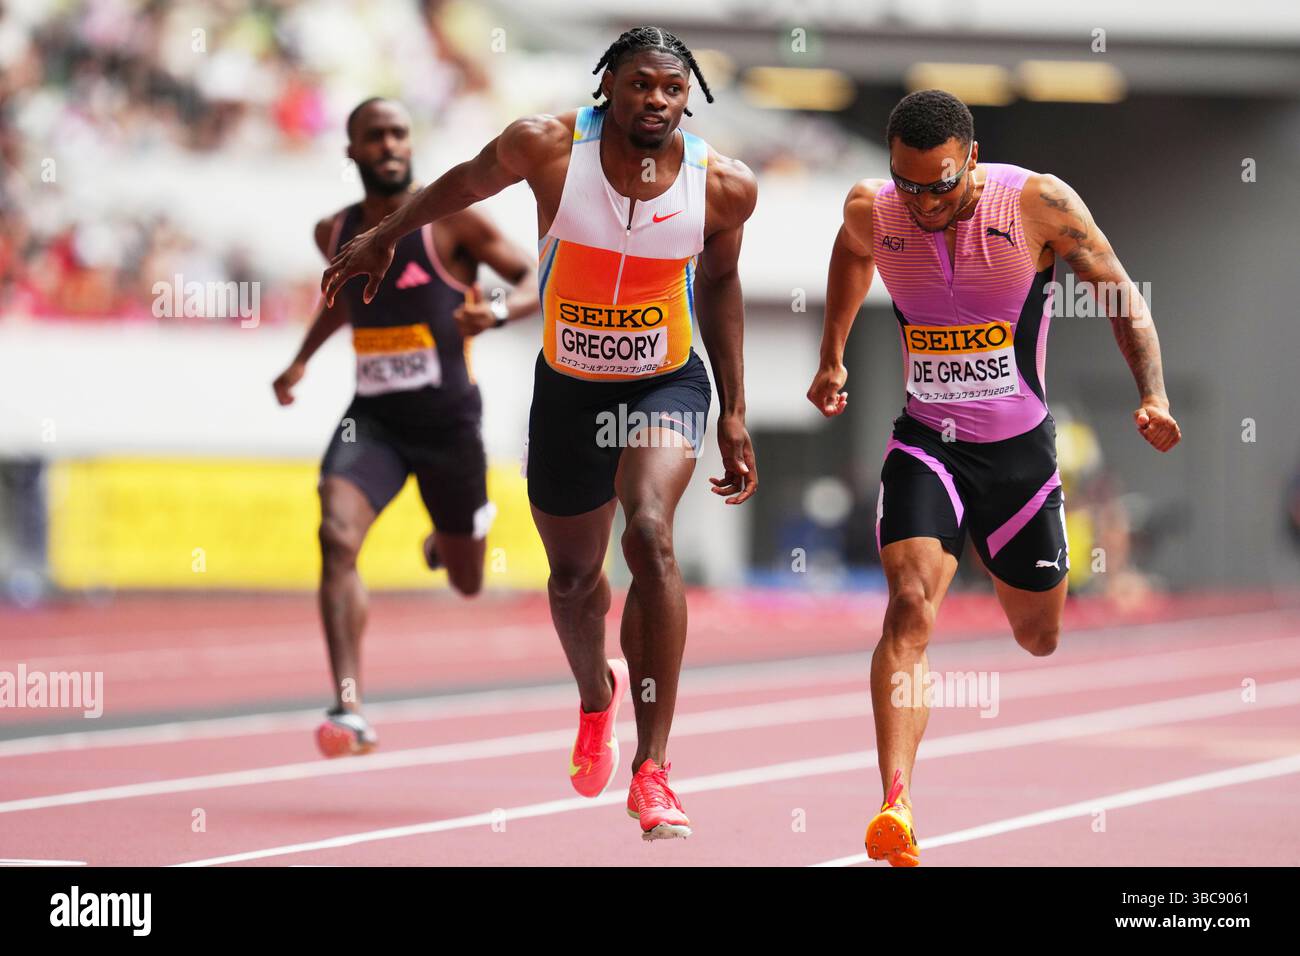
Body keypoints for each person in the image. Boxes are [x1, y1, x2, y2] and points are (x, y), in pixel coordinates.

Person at [322, 27, 759, 840]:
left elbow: (723, 284)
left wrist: (733, 408)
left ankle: (654, 769)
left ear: (688, 95)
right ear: (611, 87)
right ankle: (598, 697)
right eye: (639, 85)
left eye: (671, 87)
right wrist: (383, 237)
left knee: (652, 533)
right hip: (568, 389)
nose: (655, 100)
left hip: (664, 377)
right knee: (572, 581)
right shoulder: (548, 145)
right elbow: (459, 184)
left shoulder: (723, 187)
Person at [806, 89, 1182, 865]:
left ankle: (1009, 565)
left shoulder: (1037, 202)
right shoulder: (875, 210)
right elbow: (850, 253)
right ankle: (896, 804)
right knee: (908, 608)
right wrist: (832, 353)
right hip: (926, 447)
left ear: (970, 160)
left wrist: (1152, 394)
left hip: (1018, 459)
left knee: (1037, 635)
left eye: (939, 185)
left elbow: (1118, 291)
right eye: (906, 184)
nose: (922, 203)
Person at [273, 98, 538, 758]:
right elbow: (339, 300)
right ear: (352, 151)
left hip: (450, 425)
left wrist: (499, 312)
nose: (390, 144)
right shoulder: (330, 232)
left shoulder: (453, 221)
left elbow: (538, 277)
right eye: (375, 136)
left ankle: (448, 539)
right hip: (376, 422)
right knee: (335, 534)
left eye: (399, 133)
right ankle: (349, 705)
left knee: (467, 581)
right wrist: (301, 359)